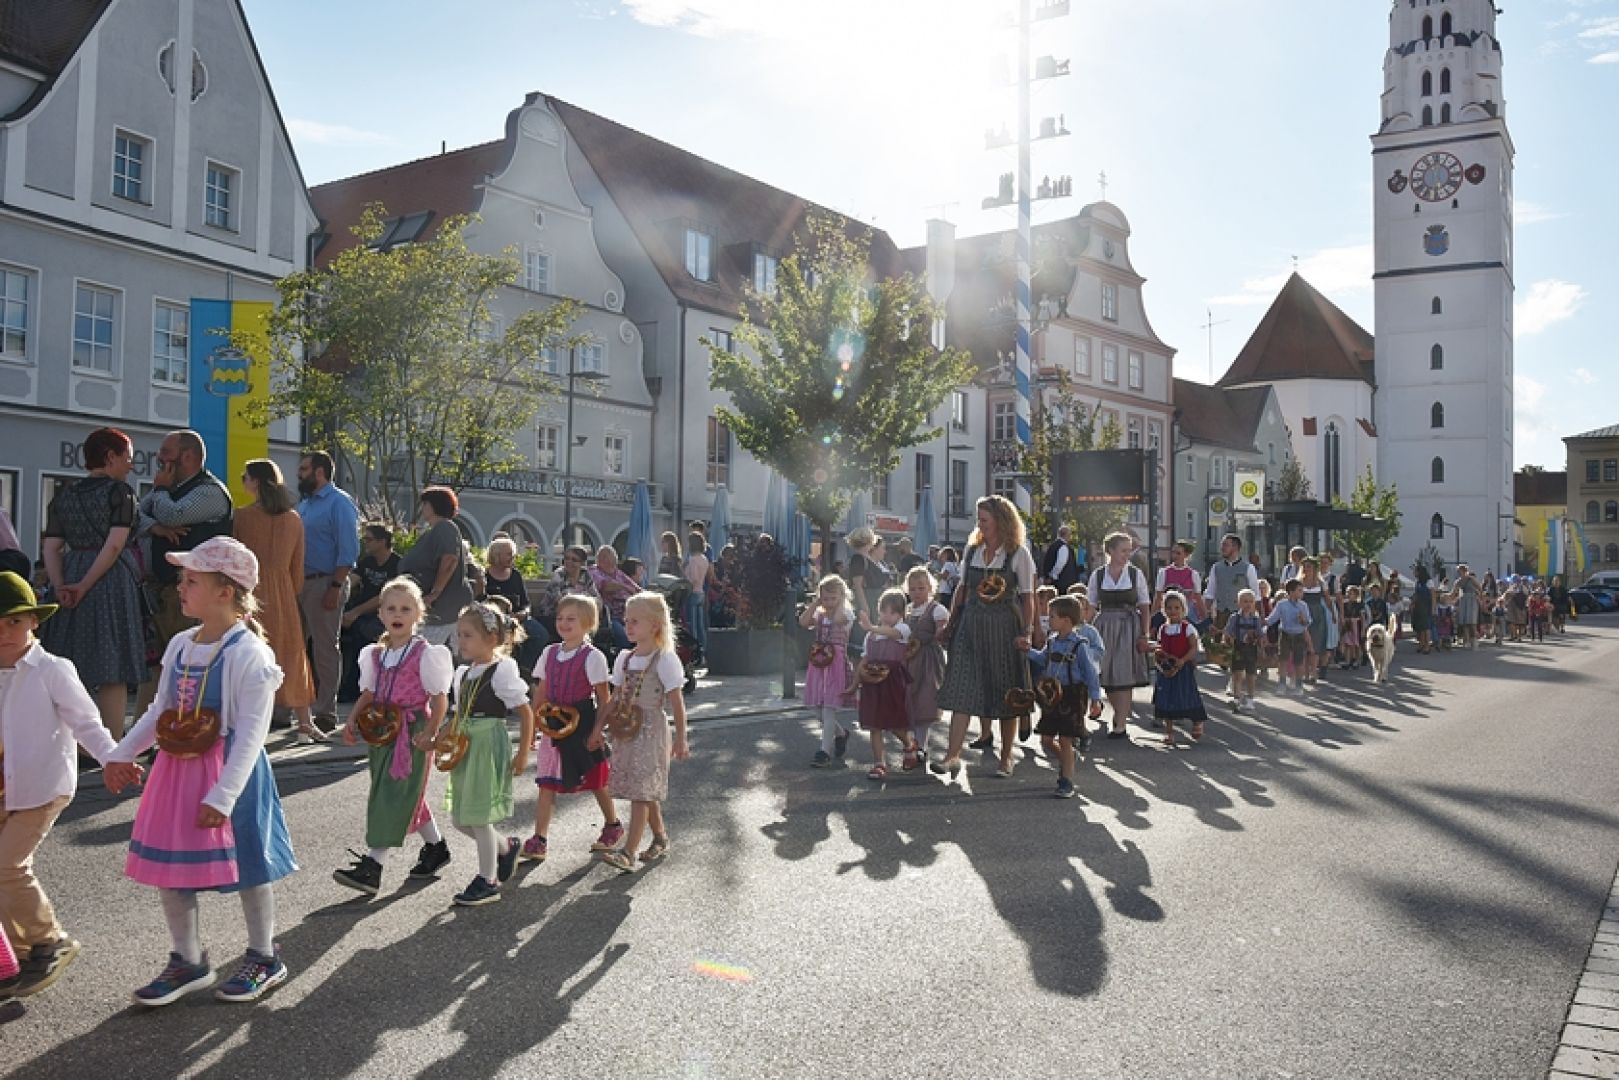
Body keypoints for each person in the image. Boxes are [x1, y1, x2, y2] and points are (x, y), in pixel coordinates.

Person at [103, 538, 296, 1006]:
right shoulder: (180, 644)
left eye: (192, 580)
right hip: (178, 770)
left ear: (225, 591)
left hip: (232, 774)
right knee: (173, 868)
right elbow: (157, 711)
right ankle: (188, 960)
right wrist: (120, 753)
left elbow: (252, 733)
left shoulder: (249, 653)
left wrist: (224, 794)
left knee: (250, 864)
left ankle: (263, 955)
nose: (180, 587)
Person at [0, 571, 121, 999]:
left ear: (35, 620)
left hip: (41, 788)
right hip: (2, 789)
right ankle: (17, 953)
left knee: (8, 865)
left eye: (14, 621)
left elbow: (87, 723)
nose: (4, 632)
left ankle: (50, 940)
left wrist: (113, 759)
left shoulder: (52, 670)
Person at [332, 578, 453, 897]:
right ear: (381, 614)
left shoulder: (426, 654)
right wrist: (352, 722)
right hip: (382, 731)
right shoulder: (376, 654)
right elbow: (370, 693)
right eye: (391, 608)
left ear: (418, 614)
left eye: (405, 608)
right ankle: (436, 847)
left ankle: (374, 866)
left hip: (411, 731)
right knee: (403, 792)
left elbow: (439, 698)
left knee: (392, 795)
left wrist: (431, 731)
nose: (397, 614)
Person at [39, 427, 146, 739]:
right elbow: (114, 546)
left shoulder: (65, 495)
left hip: (71, 571)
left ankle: (73, 740)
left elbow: (51, 547)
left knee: (71, 659)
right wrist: (85, 585)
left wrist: (61, 586)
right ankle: (108, 742)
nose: (130, 464)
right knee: (113, 666)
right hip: (110, 577)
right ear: (110, 457)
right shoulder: (120, 493)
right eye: (128, 457)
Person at [932, 496, 1037, 780]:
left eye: (984, 520)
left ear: (1001, 521)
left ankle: (1005, 759)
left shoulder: (1018, 553)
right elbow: (962, 590)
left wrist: (1026, 632)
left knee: (1006, 692)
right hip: (971, 624)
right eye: (979, 519)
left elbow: (1028, 598)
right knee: (962, 688)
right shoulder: (972, 550)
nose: (980, 524)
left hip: (1004, 626)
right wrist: (950, 624)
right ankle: (951, 756)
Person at [442, 599, 534, 906]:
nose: (461, 641)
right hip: (465, 745)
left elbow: (526, 712)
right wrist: (439, 737)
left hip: (487, 744)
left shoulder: (501, 670)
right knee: (460, 819)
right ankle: (506, 848)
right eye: (460, 634)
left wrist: (522, 753)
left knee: (479, 817)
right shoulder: (463, 673)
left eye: (468, 635)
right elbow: (456, 713)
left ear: (491, 639)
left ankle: (488, 879)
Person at [524, 595, 621, 864]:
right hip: (552, 725)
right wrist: (532, 728)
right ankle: (539, 839)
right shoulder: (549, 652)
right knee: (546, 782)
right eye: (560, 618)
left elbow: (604, 698)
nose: (563, 623)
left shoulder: (593, 657)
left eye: (571, 619)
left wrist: (598, 731)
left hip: (582, 725)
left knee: (595, 781)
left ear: (588, 623)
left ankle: (612, 824)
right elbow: (541, 691)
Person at [601, 592, 690, 872]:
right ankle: (660, 837)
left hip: (651, 731)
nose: (628, 626)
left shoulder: (664, 658)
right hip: (627, 730)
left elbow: (677, 703)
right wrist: (598, 728)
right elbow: (614, 698)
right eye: (626, 620)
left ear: (655, 625)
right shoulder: (625, 658)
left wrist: (681, 738)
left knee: (641, 792)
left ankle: (629, 851)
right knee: (642, 787)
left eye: (635, 621)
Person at [234, 460, 320, 744]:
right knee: (293, 654)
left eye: (245, 476)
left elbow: (237, 561)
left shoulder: (242, 518)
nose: (243, 480)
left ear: (256, 482)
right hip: (283, 593)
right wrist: (287, 591)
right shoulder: (293, 519)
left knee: (249, 655)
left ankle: (246, 724)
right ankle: (305, 723)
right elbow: (298, 571)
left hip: (250, 593)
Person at [294, 452, 360, 728]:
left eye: (304, 469)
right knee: (294, 648)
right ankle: (293, 708)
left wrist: (335, 586)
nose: (299, 474)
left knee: (324, 649)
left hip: (325, 582)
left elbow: (348, 551)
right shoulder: (304, 505)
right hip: (299, 583)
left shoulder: (339, 503)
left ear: (319, 471)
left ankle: (325, 712)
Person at [1023, 595, 1104, 799]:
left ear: (1066, 620)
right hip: (1052, 695)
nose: (1048, 620)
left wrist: (1096, 699)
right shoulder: (1052, 642)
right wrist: (1027, 651)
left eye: (1052, 616)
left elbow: (1090, 674)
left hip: (1073, 695)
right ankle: (1068, 759)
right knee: (1046, 740)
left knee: (1066, 739)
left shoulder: (1080, 645)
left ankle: (1066, 780)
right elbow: (1043, 659)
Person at [1087, 532, 1152, 740]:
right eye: (1123, 550)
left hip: (1128, 626)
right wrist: (1081, 629)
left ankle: (1121, 724)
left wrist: (1145, 634)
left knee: (1123, 674)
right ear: (1111, 551)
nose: (1127, 554)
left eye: (1129, 550)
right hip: (1104, 625)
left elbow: (1144, 606)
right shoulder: (1097, 575)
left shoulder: (1135, 575)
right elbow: (1090, 606)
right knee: (1106, 674)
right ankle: (1118, 713)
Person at [398, 487, 472, 648]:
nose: (422, 508)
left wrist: (435, 593)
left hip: (441, 611)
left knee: (423, 653)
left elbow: (450, 559)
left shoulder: (445, 527)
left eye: (425, 503)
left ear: (435, 505)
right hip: (431, 609)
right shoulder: (433, 531)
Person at [855, 589, 914, 781]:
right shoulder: (870, 637)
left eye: (893, 612)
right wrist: (855, 682)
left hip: (893, 682)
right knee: (875, 725)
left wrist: (871, 627)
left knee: (894, 722)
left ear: (901, 614)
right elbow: (864, 660)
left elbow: (893, 633)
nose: (887, 616)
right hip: (873, 683)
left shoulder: (903, 629)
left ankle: (908, 744)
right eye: (884, 611)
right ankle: (879, 763)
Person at [339, 524, 401, 703]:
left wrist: (355, 613)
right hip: (359, 613)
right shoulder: (367, 562)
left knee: (363, 632)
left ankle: (355, 687)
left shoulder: (396, 564)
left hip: (383, 616)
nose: (365, 543)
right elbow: (351, 582)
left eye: (369, 539)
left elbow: (384, 597)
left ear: (382, 541)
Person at [801, 575, 855, 768]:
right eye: (826, 598)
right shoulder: (820, 613)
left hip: (836, 664)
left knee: (829, 708)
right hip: (819, 662)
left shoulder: (846, 613)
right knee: (815, 706)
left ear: (841, 597)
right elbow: (804, 622)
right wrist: (816, 603)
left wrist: (841, 602)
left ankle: (824, 751)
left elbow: (840, 618)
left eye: (834, 598)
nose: (829, 603)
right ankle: (840, 733)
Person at [903, 567, 949, 773]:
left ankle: (921, 745)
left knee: (925, 702)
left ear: (930, 588)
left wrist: (940, 631)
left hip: (929, 660)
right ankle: (913, 744)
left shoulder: (936, 609)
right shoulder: (908, 610)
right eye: (913, 589)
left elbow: (942, 632)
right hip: (910, 661)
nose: (917, 592)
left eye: (921, 588)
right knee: (910, 702)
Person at [1150, 592, 1207, 745]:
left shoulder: (1187, 628)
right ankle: (1169, 732)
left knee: (1188, 696)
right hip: (1167, 669)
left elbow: (1193, 647)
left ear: (1183, 609)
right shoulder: (1163, 628)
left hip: (1183, 668)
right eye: (1169, 608)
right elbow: (1160, 646)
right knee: (1166, 699)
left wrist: (1183, 660)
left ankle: (1197, 721)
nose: (1173, 611)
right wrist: (1159, 655)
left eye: (1176, 607)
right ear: (1164, 609)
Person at [483, 537, 542, 672]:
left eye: (513, 554)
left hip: (518, 618)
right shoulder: (485, 576)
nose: (513, 557)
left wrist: (524, 613)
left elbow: (526, 603)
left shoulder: (515, 575)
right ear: (497, 555)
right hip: (496, 619)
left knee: (540, 634)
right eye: (509, 554)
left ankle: (526, 669)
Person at [535, 546, 602, 645]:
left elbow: (597, 600)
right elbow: (561, 602)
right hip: (554, 616)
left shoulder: (585, 575)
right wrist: (584, 602)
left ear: (582, 563)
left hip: (578, 617)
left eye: (574, 560)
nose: (569, 562)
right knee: (579, 624)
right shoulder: (559, 574)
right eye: (566, 558)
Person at [1202, 533, 1261, 639]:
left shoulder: (1248, 568)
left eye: (1225, 545)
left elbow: (1256, 595)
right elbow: (1210, 593)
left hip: (1241, 616)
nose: (1222, 548)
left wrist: (1261, 617)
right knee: (1219, 649)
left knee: (1240, 646)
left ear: (1235, 547)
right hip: (1221, 614)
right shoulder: (1216, 567)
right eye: (1222, 545)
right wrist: (1206, 617)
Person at [1266, 579, 1313, 694]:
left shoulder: (1303, 605)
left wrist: (1303, 620)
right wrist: (1263, 623)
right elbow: (1273, 618)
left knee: (1299, 661)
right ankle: (1282, 684)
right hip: (1285, 634)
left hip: (1299, 635)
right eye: (1299, 590)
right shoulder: (1282, 604)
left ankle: (1299, 685)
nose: (1302, 593)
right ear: (1291, 592)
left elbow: (1308, 621)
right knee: (1283, 660)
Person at [1223, 589, 1266, 714]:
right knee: (1237, 674)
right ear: (1239, 603)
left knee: (1251, 675)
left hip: (1251, 649)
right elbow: (1227, 632)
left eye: (1251, 602)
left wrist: (1262, 647)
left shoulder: (1255, 619)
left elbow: (1260, 635)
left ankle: (1250, 699)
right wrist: (1228, 640)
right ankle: (1237, 697)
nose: (1248, 604)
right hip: (1238, 648)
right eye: (1245, 601)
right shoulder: (1234, 618)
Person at [589, 545, 638, 650]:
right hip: (610, 616)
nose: (613, 565)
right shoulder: (594, 571)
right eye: (609, 561)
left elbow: (636, 589)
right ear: (600, 560)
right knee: (624, 638)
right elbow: (605, 586)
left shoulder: (618, 573)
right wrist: (624, 587)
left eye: (614, 562)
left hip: (629, 613)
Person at [1154, 540, 1204, 623]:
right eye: (1173, 552)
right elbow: (1158, 597)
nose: (1175, 556)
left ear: (1186, 555)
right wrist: (1152, 618)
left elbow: (1198, 599)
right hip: (1169, 614)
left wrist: (1205, 618)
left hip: (1188, 615)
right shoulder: (1164, 572)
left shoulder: (1193, 574)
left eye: (1178, 553)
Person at [683, 531, 715, 655]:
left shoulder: (692, 559)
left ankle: (694, 649)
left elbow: (693, 578)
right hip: (701, 591)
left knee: (692, 624)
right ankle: (703, 649)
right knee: (701, 624)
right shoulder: (704, 559)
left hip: (693, 592)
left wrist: (686, 576)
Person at [1041, 524, 1084, 593]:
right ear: (1066, 535)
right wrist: (1052, 577)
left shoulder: (1053, 546)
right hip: (1063, 583)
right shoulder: (1063, 547)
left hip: (1058, 582)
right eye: (1070, 534)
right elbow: (1060, 563)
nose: (1071, 537)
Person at [1451, 565, 1481, 650]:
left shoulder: (1471, 579)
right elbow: (1453, 593)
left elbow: (1479, 587)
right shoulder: (1458, 581)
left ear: (1464, 571)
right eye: (1458, 571)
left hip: (1472, 599)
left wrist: (1480, 597)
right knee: (1464, 622)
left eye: (1459, 571)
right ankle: (1466, 641)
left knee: (1472, 622)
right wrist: (1448, 598)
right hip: (1464, 600)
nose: (1458, 573)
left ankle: (1474, 641)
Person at [1339, 585, 1366, 669]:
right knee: (1347, 643)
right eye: (1347, 593)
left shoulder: (1359, 605)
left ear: (1356, 595)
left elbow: (1362, 617)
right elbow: (1342, 614)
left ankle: (1356, 660)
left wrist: (1363, 629)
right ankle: (1347, 660)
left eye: (1351, 593)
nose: (1348, 594)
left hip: (1356, 624)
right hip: (1347, 624)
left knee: (1356, 643)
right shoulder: (1344, 604)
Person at [1410, 565, 1435, 653]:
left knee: (1426, 627)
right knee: (1420, 626)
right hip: (1418, 606)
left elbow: (1433, 596)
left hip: (1426, 606)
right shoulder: (1418, 582)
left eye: (1415, 571)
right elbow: (1416, 594)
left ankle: (1427, 645)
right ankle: (1421, 643)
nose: (1414, 573)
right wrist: (1413, 603)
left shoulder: (1429, 582)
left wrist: (1433, 608)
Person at [936, 546, 961, 611]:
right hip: (950, 590)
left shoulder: (948, 564)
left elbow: (944, 576)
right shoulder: (955, 565)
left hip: (945, 591)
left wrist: (935, 573)